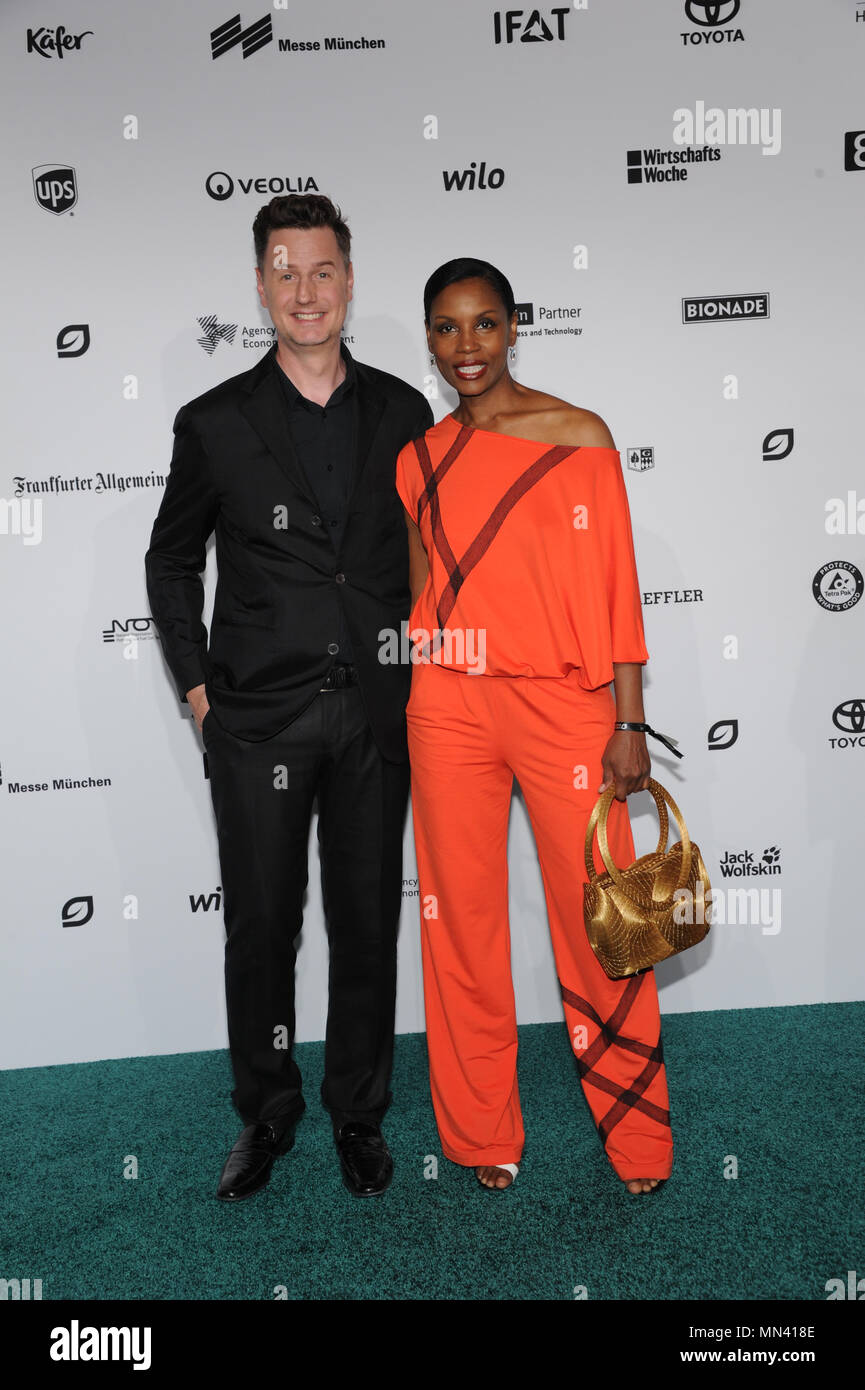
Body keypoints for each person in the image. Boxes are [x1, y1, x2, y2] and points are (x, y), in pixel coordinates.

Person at [145, 194, 433, 1201]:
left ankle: (359, 1111)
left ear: (349, 281)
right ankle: (266, 1111)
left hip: (377, 712)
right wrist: (197, 690)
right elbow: (171, 560)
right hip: (257, 715)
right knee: (263, 928)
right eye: (285, 271)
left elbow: (428, 558)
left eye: (321, 270)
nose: (305, 291)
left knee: (365, 923)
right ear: (260, 286)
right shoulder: (215, 421)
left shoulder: (404, 412)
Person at [395, 258, 673, 1194]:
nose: (465, 346)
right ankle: (481, 1135)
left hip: (563, 704)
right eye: (446, 328)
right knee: (459, 925)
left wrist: (627, 719)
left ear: (514, 327)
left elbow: (616, 588)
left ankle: (636, 1139)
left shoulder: (577, 435)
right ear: (428, 339)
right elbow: (422, 595)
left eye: (483, 323)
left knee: (605, 919)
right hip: (447, 706)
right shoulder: (416, 458)